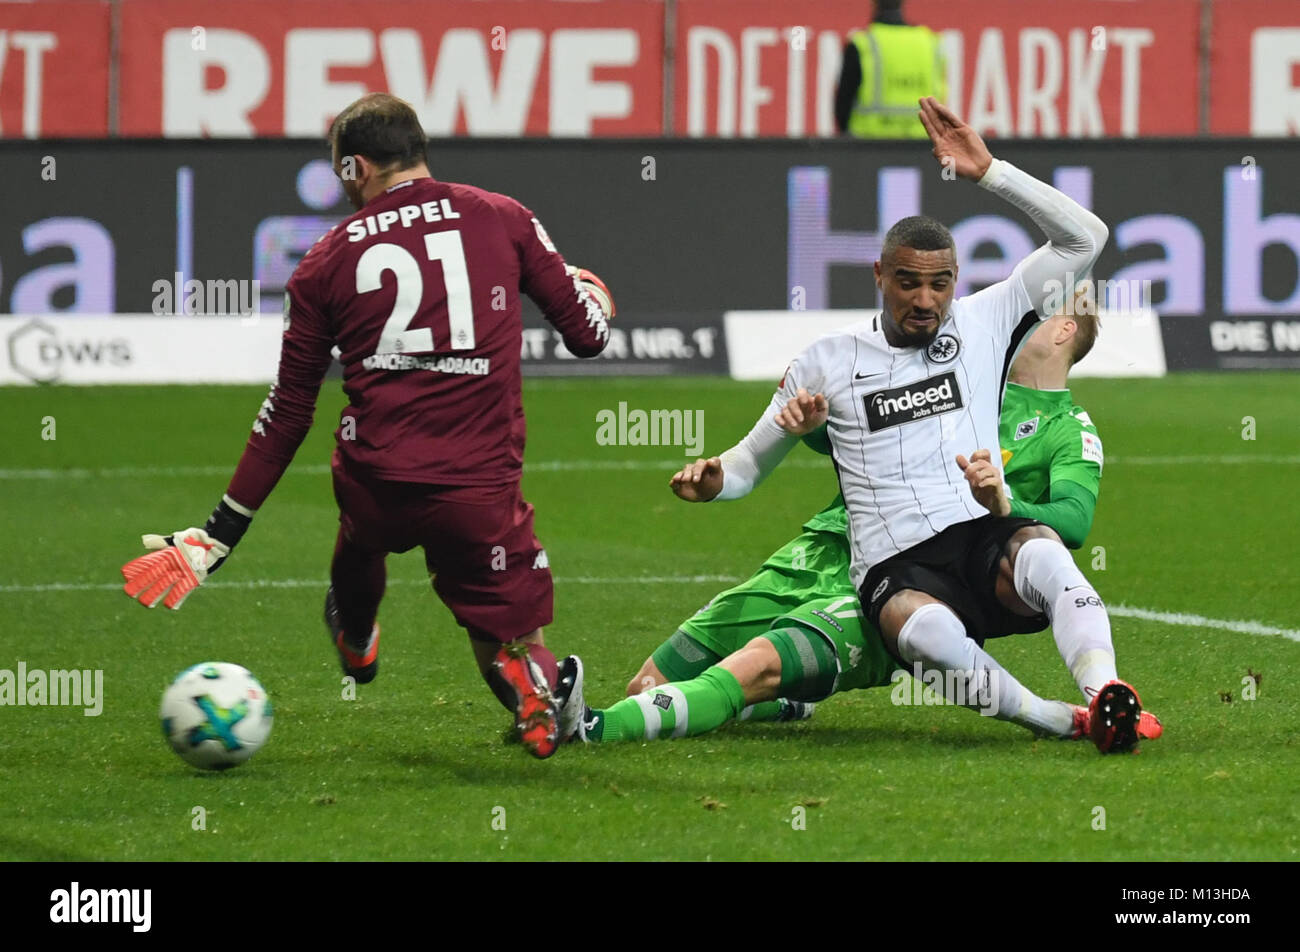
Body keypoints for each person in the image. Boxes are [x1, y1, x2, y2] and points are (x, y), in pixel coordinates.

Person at [569, 98, 1148, 754]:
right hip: (890, 565)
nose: (925, 300)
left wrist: (991, 172)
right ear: (879, 276)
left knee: (1043, 550)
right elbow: (748, 465)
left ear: (956, 281)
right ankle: (1053, 718)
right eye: (908, 283)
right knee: (919, 637)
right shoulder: (828, 360)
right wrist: (711, 481)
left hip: (977, 537)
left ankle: (1105, 692)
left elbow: (1086, 239)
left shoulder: (988, 320)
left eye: (939, 285)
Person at [120, 92, 614, 760]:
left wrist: (219, 534)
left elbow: (287, 412)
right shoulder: (502, 217)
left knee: (358, 548)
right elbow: (586, 336)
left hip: (376, 482)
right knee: (500, 623)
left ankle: (355, 637)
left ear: (356, 167)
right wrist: (596, 297)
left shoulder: (323, 261)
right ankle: (531, 687)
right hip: (478, 489)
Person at [835, 0, 946, 138]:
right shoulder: (930, 42)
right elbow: (941, 94)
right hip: (923, 145)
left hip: (870, 144)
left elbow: (843, 104)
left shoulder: (863, 43)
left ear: (874, 4)